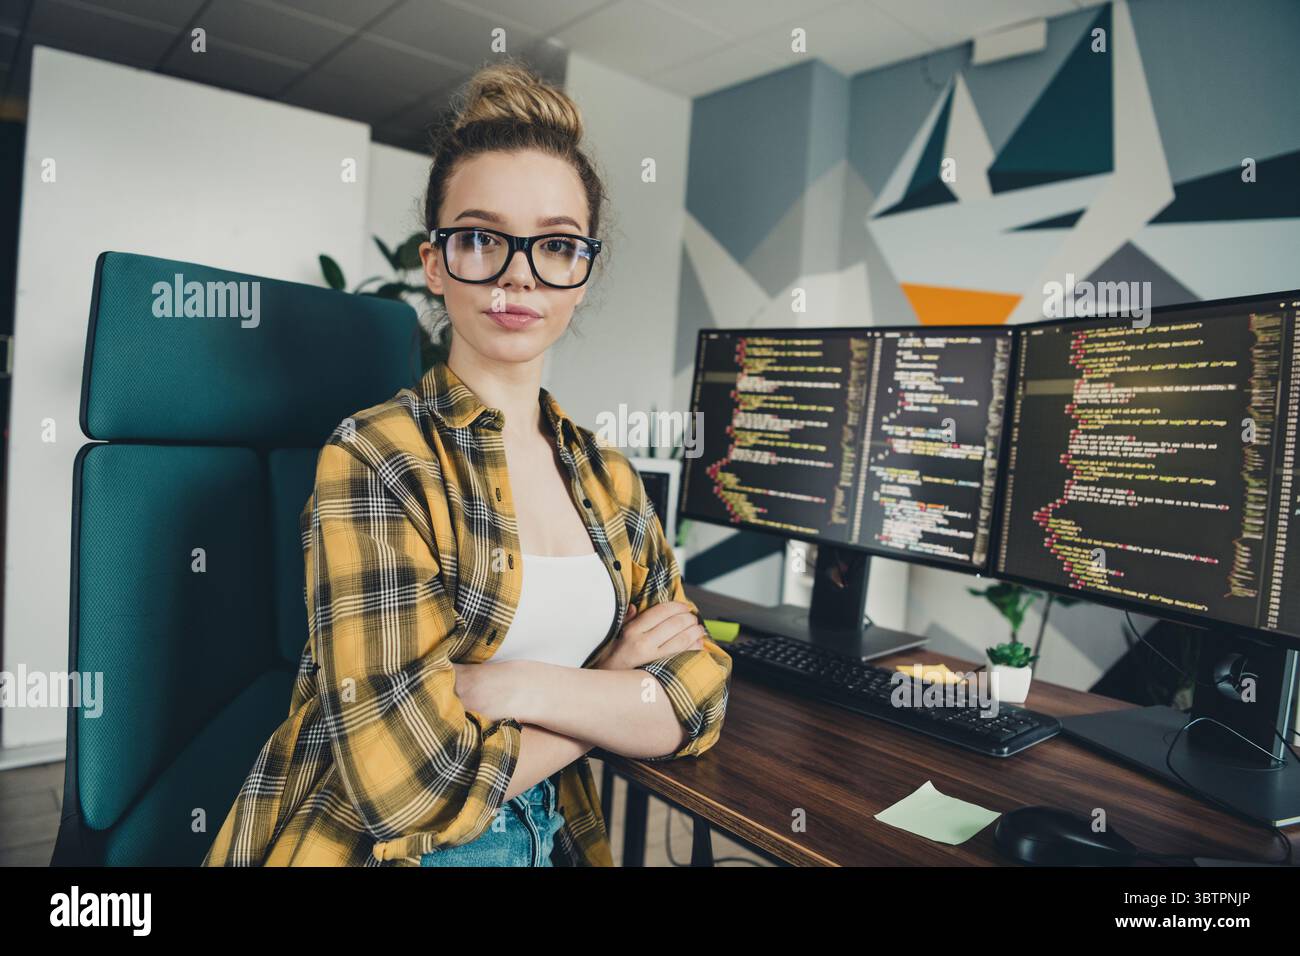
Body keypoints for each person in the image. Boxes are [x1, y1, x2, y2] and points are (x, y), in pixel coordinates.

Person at [201, 59, 731, 867]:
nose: (519, 272)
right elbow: (410, 785)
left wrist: (519, 687)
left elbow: (700, 695)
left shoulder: (610, 480)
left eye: (555, 245)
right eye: (482, 238)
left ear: (581, 274)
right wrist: (611, 690)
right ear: (436, 262)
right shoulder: (379, 457)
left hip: (555, 831)